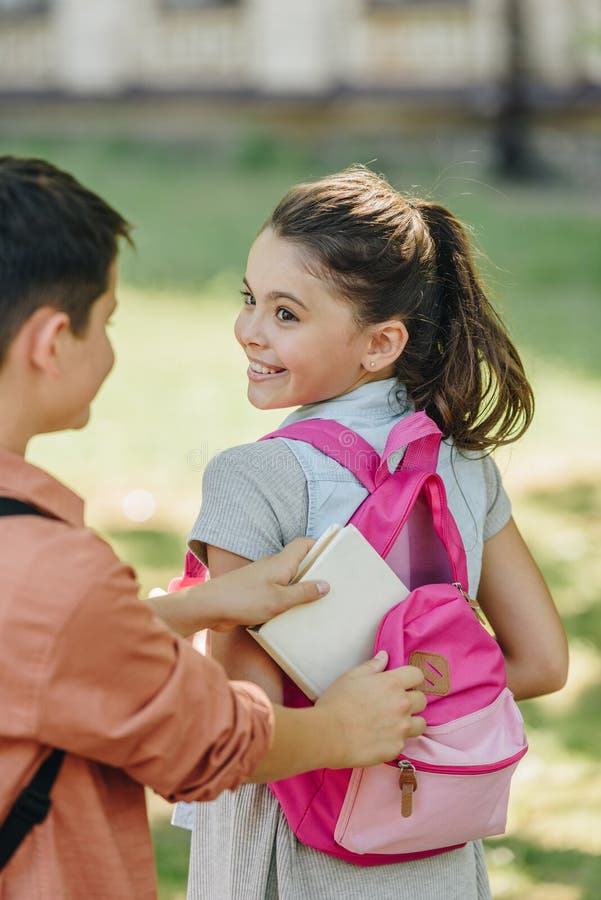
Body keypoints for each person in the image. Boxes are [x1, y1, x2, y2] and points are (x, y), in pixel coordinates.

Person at [0, 157, 429, 899]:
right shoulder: (54, 571)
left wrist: (196, 607)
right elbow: (202, 738)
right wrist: (336, 729)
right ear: (50, 342)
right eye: (106, 321)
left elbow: (31, 645)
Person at [181, 166, 569, 900]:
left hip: (294, 854)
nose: (249, 331)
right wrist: (411, 706)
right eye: (249, 299)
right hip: (429, 836)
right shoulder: (460, 465)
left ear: (381, 341)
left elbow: (240, 727)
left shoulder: (254, 479)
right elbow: (542, 661)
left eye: (285, 314)